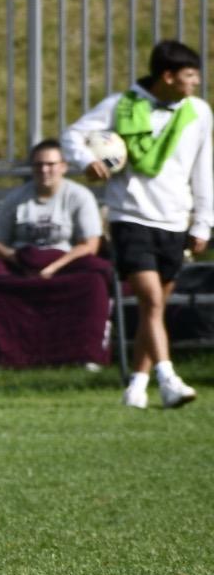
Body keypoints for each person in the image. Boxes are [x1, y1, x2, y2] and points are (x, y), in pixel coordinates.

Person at [62, 39, 212, 408]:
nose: (195, 83)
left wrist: (204, 222)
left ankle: (137, 386)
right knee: (150, 301)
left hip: (175, 218)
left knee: (155, 306)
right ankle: (169, 377)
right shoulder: (121, 105)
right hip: (130, 216)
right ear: (167, 76)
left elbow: (203, 169)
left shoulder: (199, 112)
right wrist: (86, 160)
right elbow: (71, 135)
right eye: (189, 76)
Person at [0, 140, 110, 370]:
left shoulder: (79, 196)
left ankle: (87, 355)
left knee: (93, 282)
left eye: (50, 164)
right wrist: (18, 260)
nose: (44, 170)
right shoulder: (17, 198)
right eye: (38, 165)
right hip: (22, 262)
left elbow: (89, 245)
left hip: (63, 263)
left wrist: (51, 268)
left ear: (63, 166)